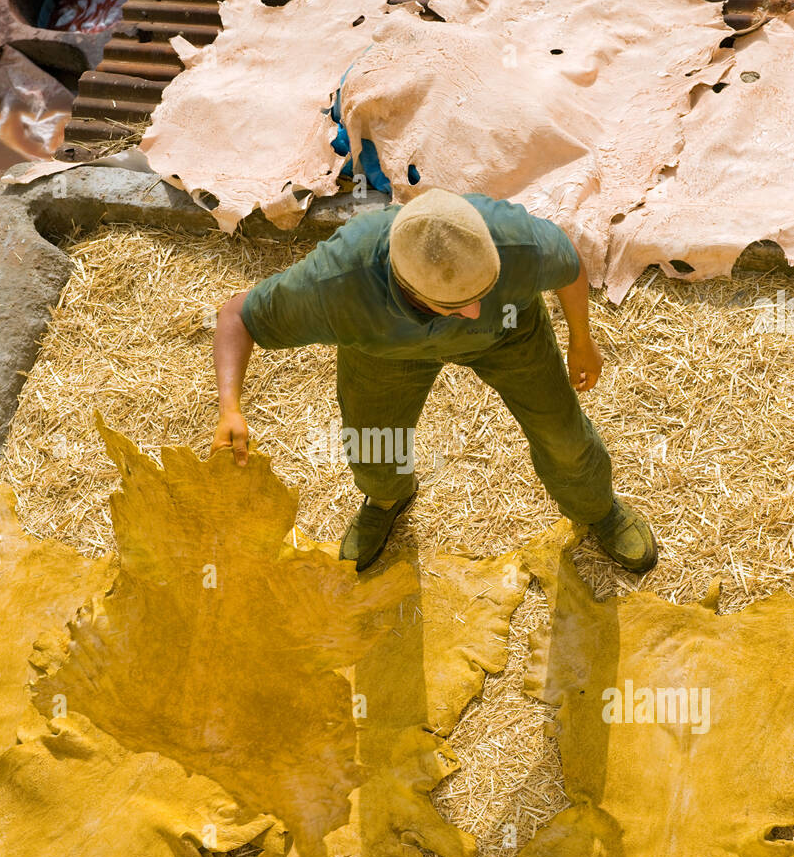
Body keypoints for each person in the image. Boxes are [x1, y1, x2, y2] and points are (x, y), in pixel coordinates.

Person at [211, 188, 658, 573]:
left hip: (507, 333)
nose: (473, 311)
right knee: (373, 444)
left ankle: (597, 509)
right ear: (405, 286)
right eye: (457, 303)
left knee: (563, 435)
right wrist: (229, 407)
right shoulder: (337, 282)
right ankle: (386, 499)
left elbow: (569, 264)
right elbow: (237, 316)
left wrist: (581, 339)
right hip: (383, 350)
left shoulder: (515, 241)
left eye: (483, 291)